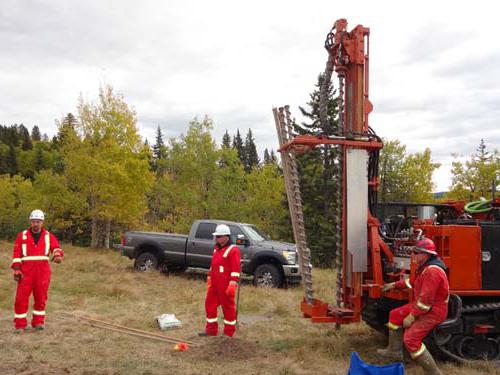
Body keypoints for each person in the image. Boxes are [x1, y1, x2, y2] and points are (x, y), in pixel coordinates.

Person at [377, 237, 449, 375]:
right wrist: (394, 285)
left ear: (426, 254)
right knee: (395, 315)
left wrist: (411, 317)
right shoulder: (425, 267)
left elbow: (425, 302)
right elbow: (413, 282)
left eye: (416, 252)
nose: (413, 255)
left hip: (433, 311)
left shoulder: (432, 272)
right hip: (422, 306)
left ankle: (433, 372)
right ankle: (394, 352)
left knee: (411, 339)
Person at [11, 209, 64, 333]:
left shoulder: (48, 236)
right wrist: (17, 269)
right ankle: (20, 325)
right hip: (26, 272)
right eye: (34, 221)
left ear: (42, 222)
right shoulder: (22, 236)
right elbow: (16, 254)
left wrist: (57, 255)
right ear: (30, 222)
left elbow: (56, 247)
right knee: (21, 298)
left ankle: (38, 322)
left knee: (41, 298)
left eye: (38, 222)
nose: (36, 224)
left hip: (43, 272)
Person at [201, 224, 241, 337]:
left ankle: (228, 333)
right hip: (215, 284)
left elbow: (235, 269)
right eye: (216, 237)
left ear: (226, 237)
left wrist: (233, 283)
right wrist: (209, 276)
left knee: (228, 308)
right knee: (209, 304)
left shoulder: (233, 250)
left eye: (219, 237)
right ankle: (211, 330)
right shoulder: (216, 249)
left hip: (226, 285)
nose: (216, 239)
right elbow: (213, 265)